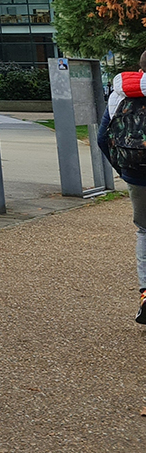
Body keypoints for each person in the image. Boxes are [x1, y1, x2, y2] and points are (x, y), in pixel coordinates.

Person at [98, 52, 146, 324]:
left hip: (137, 175)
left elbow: (102, 138)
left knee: (144, 230)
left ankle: (145, 292)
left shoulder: (120, 93)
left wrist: (123, 171)